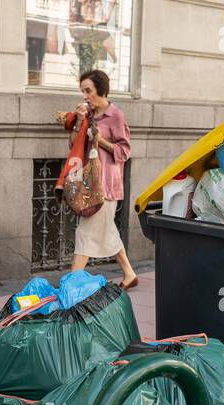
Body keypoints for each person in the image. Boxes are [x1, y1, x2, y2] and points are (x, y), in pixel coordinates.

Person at [60, 68, 137, 288]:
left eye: (88, 90)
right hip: (88, 183)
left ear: (101, 90)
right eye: (82, 91)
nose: (85, 96)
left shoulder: (116, 116)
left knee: (86, 232)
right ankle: (129, 274)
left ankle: (71, 285)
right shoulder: (90, 116)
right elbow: (73, 144)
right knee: (106, 231)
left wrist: (101, 141)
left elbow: (124, 152)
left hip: (105, 186)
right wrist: (79, 122)